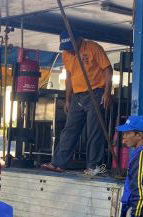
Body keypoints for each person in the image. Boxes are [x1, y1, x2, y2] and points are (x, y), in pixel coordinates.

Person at [42, 31, 112, 176]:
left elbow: (107, 70)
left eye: (70, 45)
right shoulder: (66, 53)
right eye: (66, 46)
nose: (69, 49)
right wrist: (67, 99)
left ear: (79, 39)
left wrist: (107, 92)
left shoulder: (93, 48)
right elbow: (68, 77)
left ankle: (94, 166)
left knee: (94, 130)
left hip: (96, 92)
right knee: (70, 129)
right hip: (77, 95)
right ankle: (58, 164)